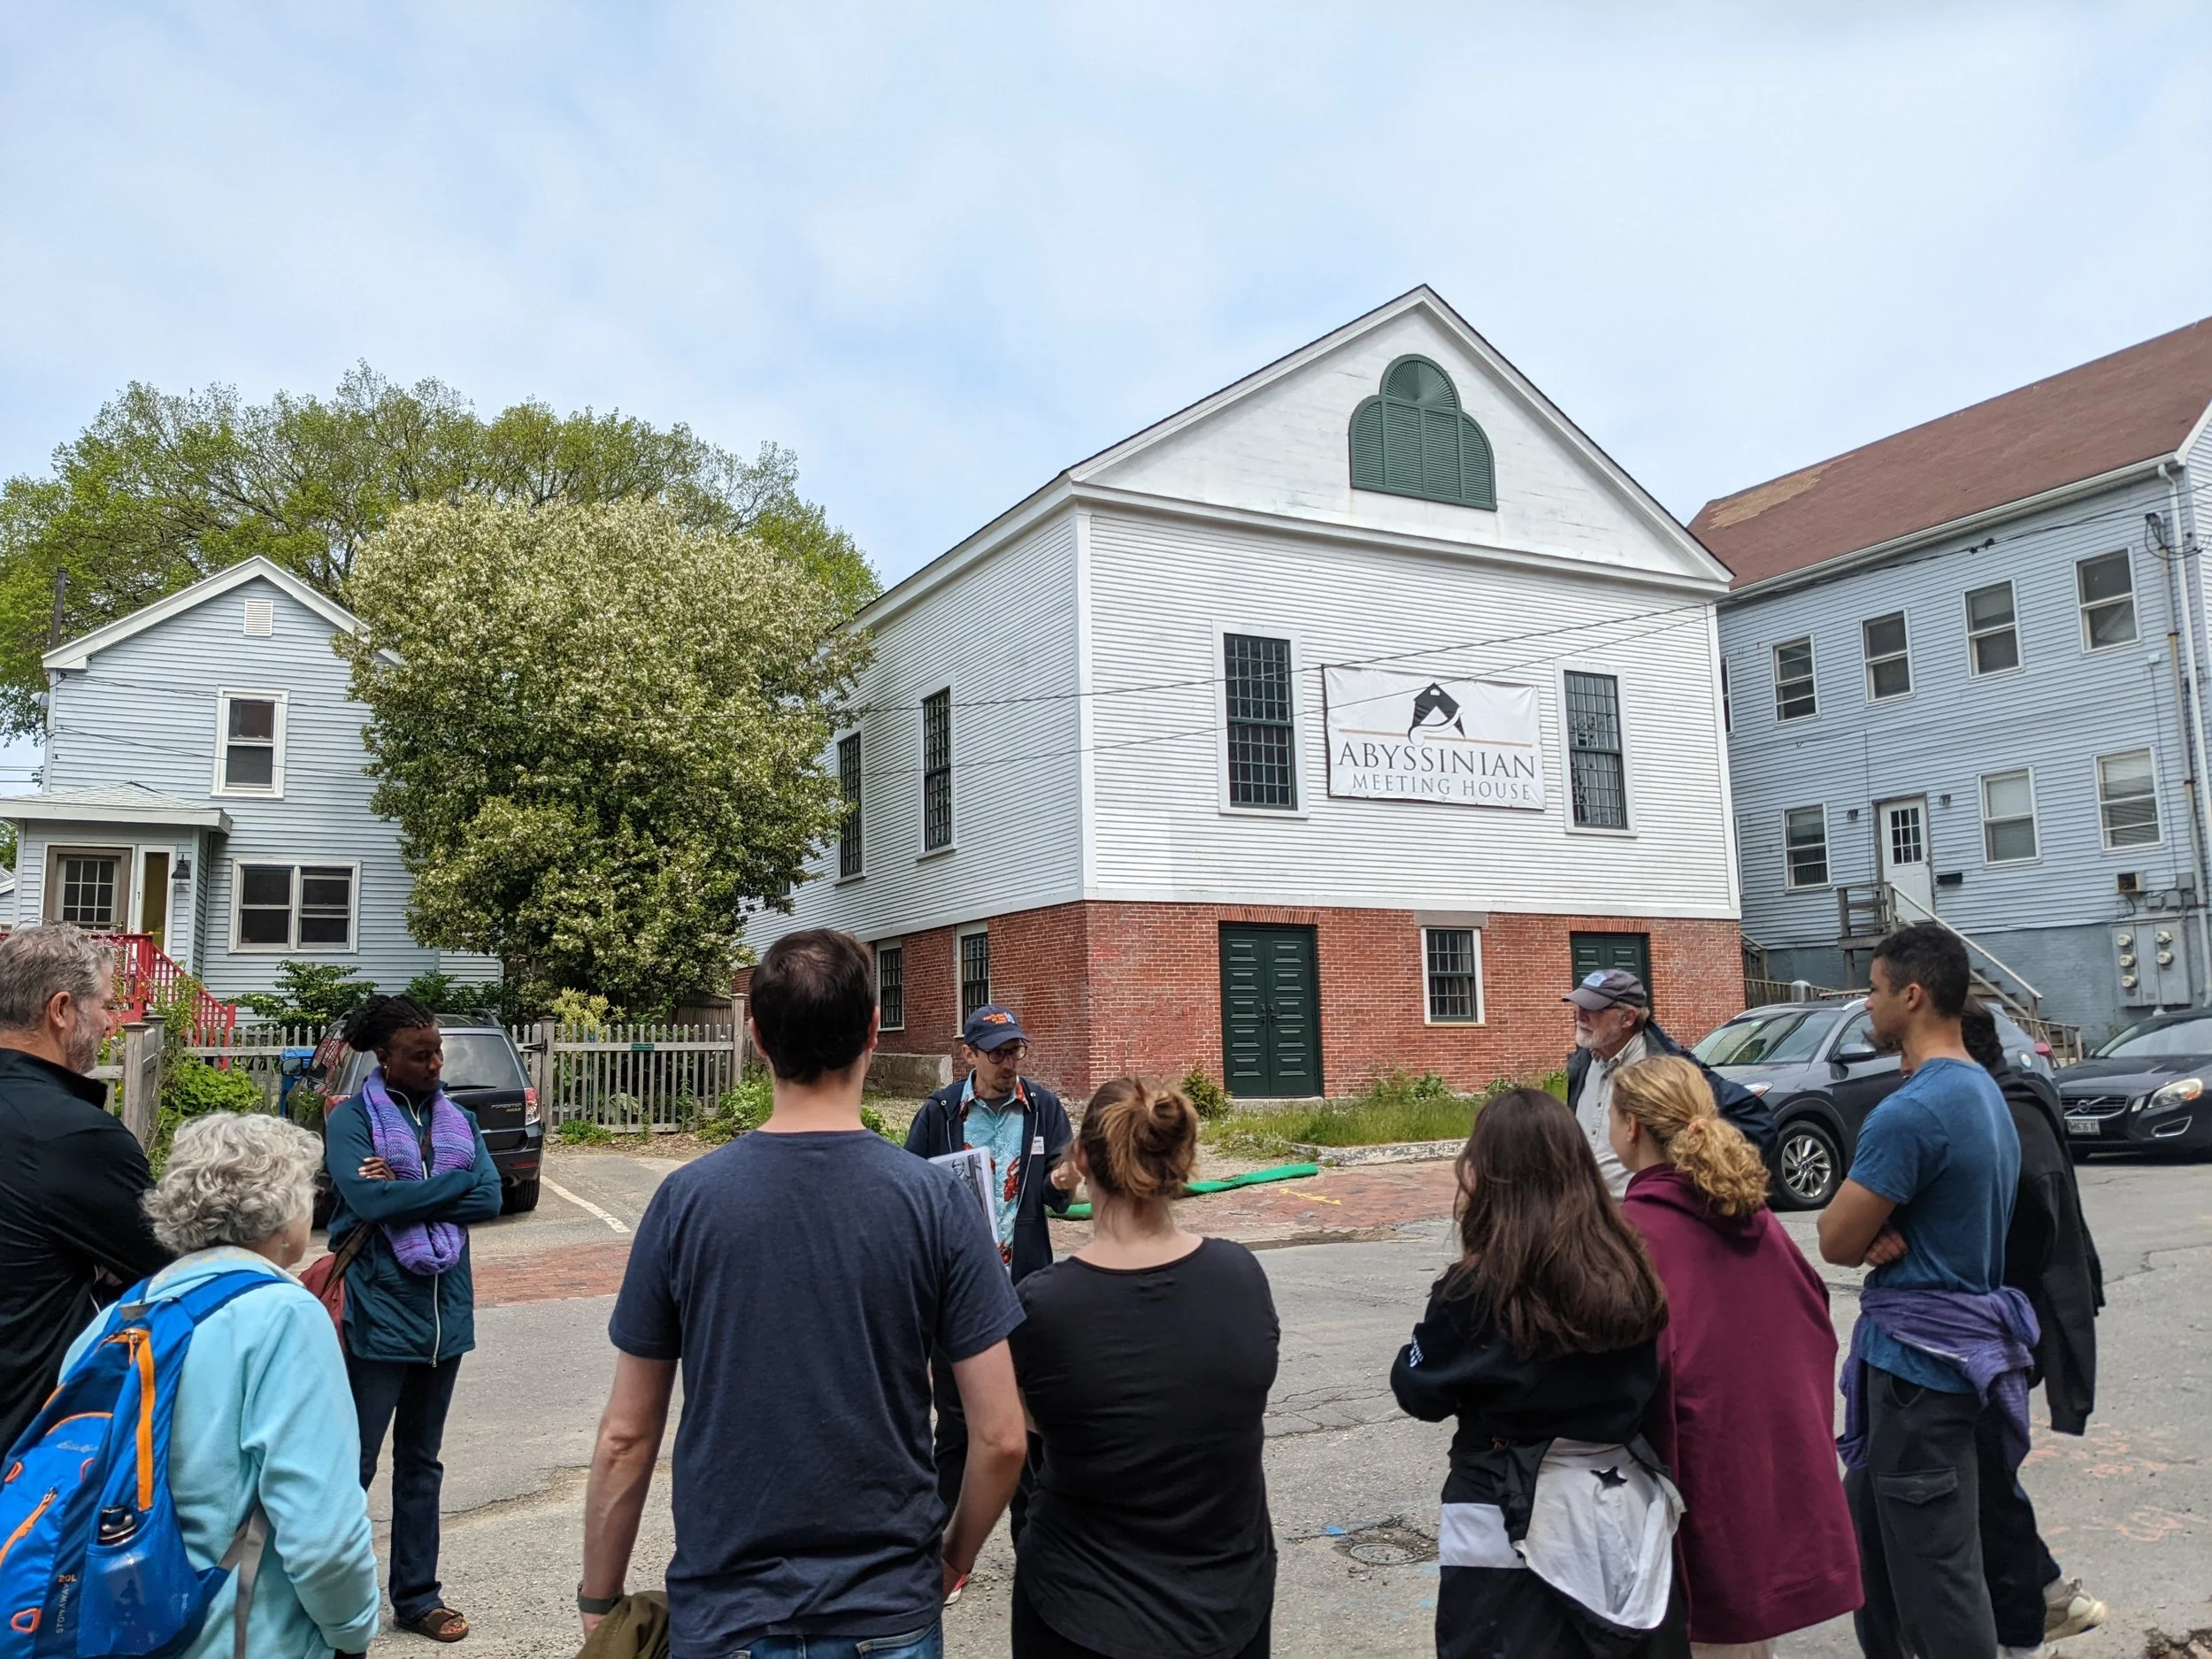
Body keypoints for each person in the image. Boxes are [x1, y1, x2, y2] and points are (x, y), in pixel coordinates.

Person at [582, 928, 1028, 1659]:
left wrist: (599, 1599)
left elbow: (627, 1436)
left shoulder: (685, 1203)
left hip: (726, 1613)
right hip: (888, 1609)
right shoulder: (936, 1203)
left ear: (757, 1035)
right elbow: (1003, 1436)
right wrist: (953, 1556)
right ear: (873, 1031)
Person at [51, 1112, 383, 1657]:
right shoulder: (284, 1316)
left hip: (121, 1629)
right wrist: (352, 1630)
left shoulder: (117, 1320)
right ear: (281, 1214)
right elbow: (322, 1533)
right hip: (244, 1635)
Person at [1391, 1088, 1685, 1658]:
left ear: (1491, 1176)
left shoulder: (1477, 1289)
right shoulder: (1627, 1266)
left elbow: (1418, 1389)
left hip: (1503, 1506)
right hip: (1619, 1498)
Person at [1818, 923, 2033, 1659]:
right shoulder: (1980, 1088)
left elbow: (1835, 1239)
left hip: (1920, 1377)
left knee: (1939, 1579)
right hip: (1949, 1367)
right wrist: (1886, 1220)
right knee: (1876, 1558)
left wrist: (1870, 1225)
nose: (1866, 1002)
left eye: (1874, 989)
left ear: (1911, 995)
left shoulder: (1910, 1112)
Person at [1009, 1077, 1279, 1659]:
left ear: (1081, 1160)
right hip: (1229, 1608)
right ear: (1180, 1158)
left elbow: (1018, 1429)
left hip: (1079, 1610)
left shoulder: (1043, 1305)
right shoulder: (1241, 1276)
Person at [1611, 1056, 1861, 1658]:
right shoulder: (1753, 1217)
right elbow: (1811, 1321)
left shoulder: (1631, 1232)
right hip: (1762, 1473)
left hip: (1678, 1501)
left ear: (1633, 1128)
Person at [323, 995, 503, 1645]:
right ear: (383, 1056)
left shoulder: (457, 1117)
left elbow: (492, 1195)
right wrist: (433, 1188)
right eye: (418, 1053)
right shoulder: (350, 1121)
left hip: (443, 1317)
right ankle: (332, 1596)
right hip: (376, 1312)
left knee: (422, 1463)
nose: (433, 1063)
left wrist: (404, 1187)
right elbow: (366, 1196)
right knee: (357, 1462)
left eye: (437, 1051)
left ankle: (418, 1597)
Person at [904, 1002, 1077, 1571]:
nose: (1009, 1062)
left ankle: (1035, 1553)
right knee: (955, 1432)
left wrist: (1064, 1177)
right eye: (998, 1052)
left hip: (1024, 1294)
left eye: (1016, 1051)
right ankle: (942, 1559)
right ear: (970, 1054)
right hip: (955, 1298)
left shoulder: (1045, 1108)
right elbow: (911, 1199)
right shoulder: (940, 1113)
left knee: (1029, 1430)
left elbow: (1059, 1197)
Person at [1960, 1002, 2108, 1649]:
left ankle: (2033, 1610)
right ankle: (2042, 1592)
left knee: (1985, 1476)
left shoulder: (2009, 1113)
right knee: (1979, 1476)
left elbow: (2033, 1233)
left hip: (1999, 1330)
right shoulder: (2005, 1100)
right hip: (1994, 1327)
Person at [0, 922, 172, 1452]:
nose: (112, 1024)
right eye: (106, 1006)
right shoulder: (74, 1134)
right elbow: (171, 1264)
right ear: (61, 1010)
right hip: (29, 1458)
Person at [1563, 969, 1774, 1196]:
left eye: (1594, 1009)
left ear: (1628, 1018)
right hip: (1588, 1214)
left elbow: (1757, 1124)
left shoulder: (1669, 1067)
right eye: (1578, 1006)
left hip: (1645, 1215)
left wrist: (1697, 1188)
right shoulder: (1583, 1063)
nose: (1580, 1016)